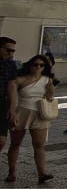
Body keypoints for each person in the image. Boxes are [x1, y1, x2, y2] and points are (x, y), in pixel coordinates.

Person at [6, 55, 55, 183]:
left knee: (39, 145)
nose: (38, 67)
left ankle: (42, 173)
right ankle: (11, 172)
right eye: (35, 64)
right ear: (30, 65)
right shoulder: (20, 80)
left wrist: (51, 90)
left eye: (42, 65)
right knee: (15, 144)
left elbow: (49, 98)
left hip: (40, 113)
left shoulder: (47, 80)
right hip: (22, 112)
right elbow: (12, 95)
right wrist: (12, 111)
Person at [0, 37, 18, 160]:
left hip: (2, 102)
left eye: (13, 51)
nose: (11, 53)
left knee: (1, 140)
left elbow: (12, 85)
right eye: (8, 50)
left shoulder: (11, 64)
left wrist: (12, 108)